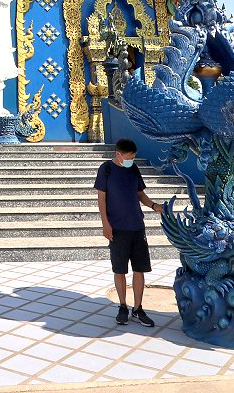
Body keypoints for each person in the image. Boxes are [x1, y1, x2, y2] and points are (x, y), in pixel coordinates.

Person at [94, 138, 164, 327]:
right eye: (129, 157)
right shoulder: (106, 169)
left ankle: (138, 308)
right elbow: (102, 198)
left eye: (133, 157)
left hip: (136, 226)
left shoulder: (133, 169)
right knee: (120, 269)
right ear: (118, 154)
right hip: (117, 228)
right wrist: (105, 224)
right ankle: (123, 306)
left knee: (139, 269)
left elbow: (139, 193)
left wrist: (154, 205)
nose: (131, 160)